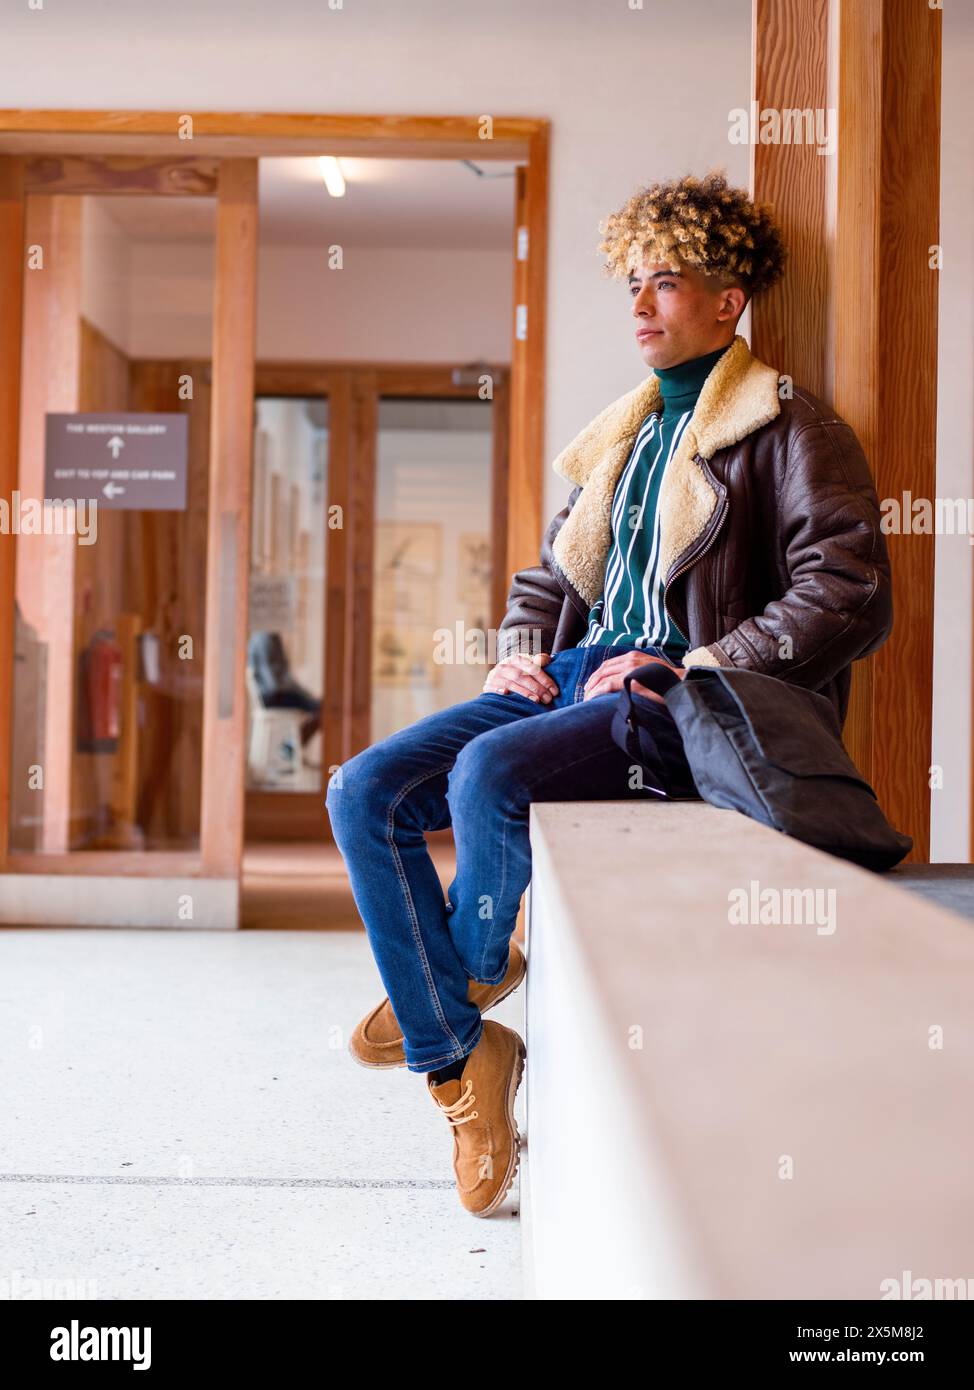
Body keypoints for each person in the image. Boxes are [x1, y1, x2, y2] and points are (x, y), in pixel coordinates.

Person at [326, 170, 893, 1217]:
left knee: (489, 771)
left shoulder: (787, 427)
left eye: (664, 283)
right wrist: (518, 646)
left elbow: (847, 591)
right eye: (631, 282)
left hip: (681, 706)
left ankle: (454, 994)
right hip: (576, 685)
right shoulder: (622, 437)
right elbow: (550, 579)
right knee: (360, 790)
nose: (637, 304)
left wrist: (701, 661)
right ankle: (465, 1036)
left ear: (728, 300)